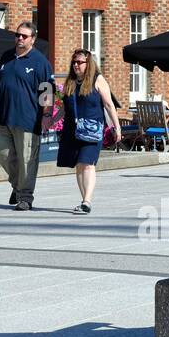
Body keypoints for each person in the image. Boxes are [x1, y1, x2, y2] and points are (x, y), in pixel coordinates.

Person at [0, 21, 53, 211]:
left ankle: (25, 197)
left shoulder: (40, 62)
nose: (20, 38)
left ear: (33, 39)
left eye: (24, 36)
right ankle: (18, 186)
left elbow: (46, 90)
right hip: (4, 118)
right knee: (1, 154)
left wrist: (46, 115)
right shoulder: (6, 57)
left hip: (28, 120)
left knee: (26, 160)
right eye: (18, 35)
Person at [57, 49, 120, 214]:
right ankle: (84, 200)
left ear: (88, 63)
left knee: (88, 164)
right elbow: (65, 108)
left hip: (92, 129)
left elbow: (108, 104)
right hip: (72, 129)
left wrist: (117, 126)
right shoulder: (70, 82)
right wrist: (51, 120)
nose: (76, 65)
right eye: (74, 62)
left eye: (80, 62)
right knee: (79, 165)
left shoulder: (97, 80)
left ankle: (87, 201)